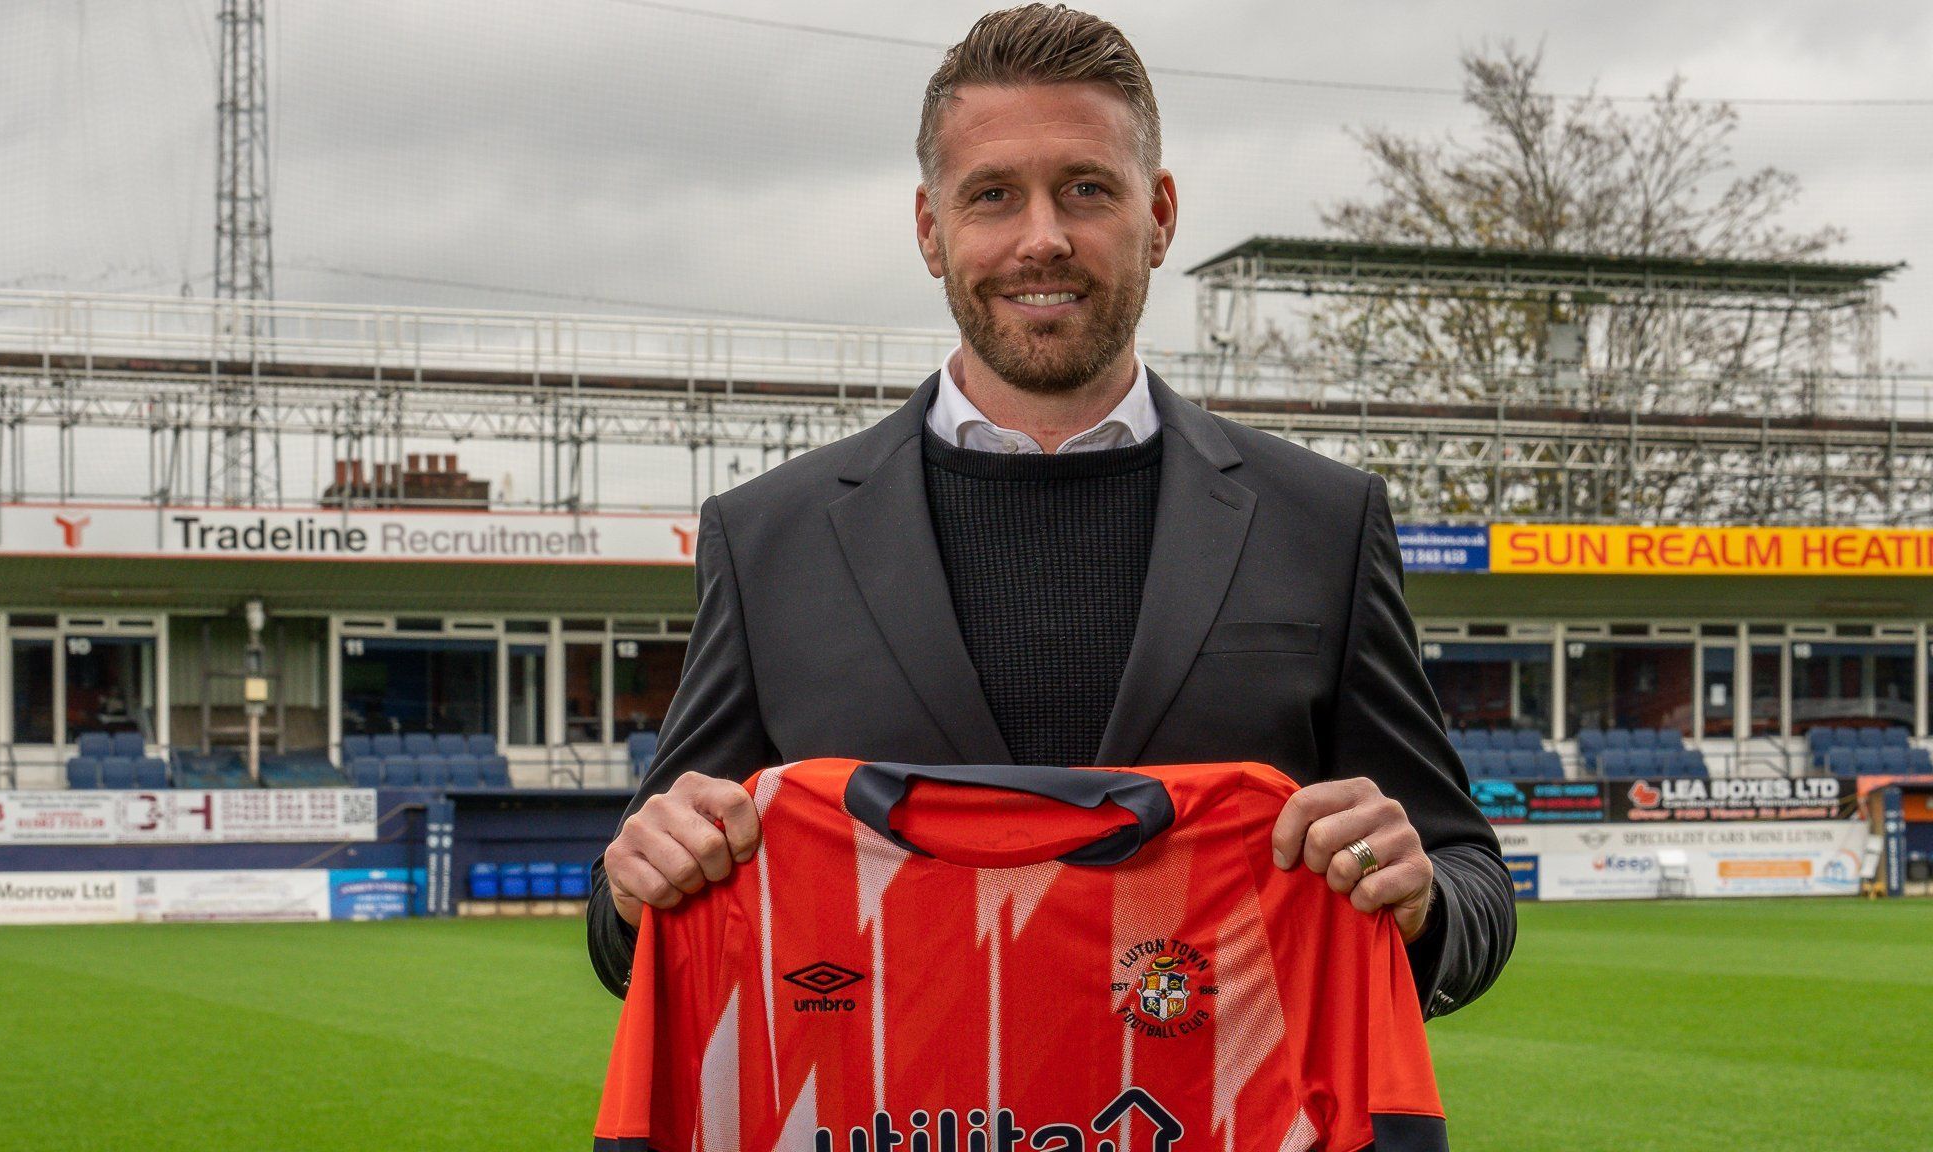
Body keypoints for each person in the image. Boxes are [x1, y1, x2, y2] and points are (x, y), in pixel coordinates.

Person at [588, 3, 1514, 1019]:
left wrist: (1422, 902)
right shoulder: (769, 539)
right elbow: (628, 909)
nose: (1043, 238)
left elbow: (1466, 876)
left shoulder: (1320, 523)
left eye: (1086, 189)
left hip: (1224, 1097)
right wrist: (634, 891)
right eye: (993, 195)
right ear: (930, 228)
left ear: (1158, 215)